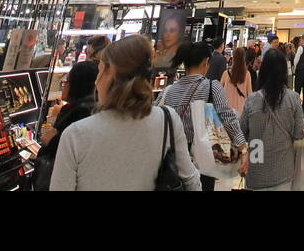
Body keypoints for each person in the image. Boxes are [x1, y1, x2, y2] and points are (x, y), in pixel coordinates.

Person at [50, 35, 200, 191]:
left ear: (110, 74)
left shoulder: (76, 134)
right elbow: (191, 179)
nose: (95, 81)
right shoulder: (167, 119)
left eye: (100, 70)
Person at [159, 42, 248, 192]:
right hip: (201, 158)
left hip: (171, 159)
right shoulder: (212, 86)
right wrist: (243, 148)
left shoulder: (168, 91)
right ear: (206, 62)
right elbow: (227, 117)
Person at [240, 49, 304, 191]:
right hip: (283, 171)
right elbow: (298, 134)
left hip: (256, 171)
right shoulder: (293, 99)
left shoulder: (252, 100)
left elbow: (242, 131)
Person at [35, 60, 98, 190]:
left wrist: (50, 138)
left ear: (76, 85)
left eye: (66, 82)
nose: (64, 86)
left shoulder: (77, 111)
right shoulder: (96, 108)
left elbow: (51, 141)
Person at [221, 46, 253, 117]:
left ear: (233, 58)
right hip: (241, 110)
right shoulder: (247, 74)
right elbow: (250, 93)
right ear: (244, 58)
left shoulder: (226, 73)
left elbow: (219, 92)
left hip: (226, 109)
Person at [292, 34, 304, 117]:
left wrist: (294, 70)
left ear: (302, 40)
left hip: (300, 72)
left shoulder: (301, 48)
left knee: (297, 91)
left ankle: (296, 110)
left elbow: (296, 60)